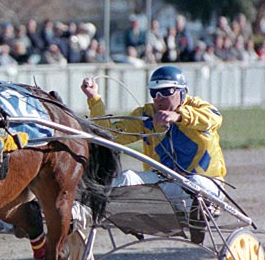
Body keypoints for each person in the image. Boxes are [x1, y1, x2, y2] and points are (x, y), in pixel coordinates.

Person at [81, 65, 226, 243]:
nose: (158, 99)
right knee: (127, 178)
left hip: (206, 187)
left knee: (195, 183)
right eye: (154, 92)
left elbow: (214, 119)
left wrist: (178, 116)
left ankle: (199, 219)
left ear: (183, 92)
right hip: (166, 188)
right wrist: (94, 100)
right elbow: (110, 136)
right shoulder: (146, 114)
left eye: (166, 91)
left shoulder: (198, 107)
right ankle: (99, 215)